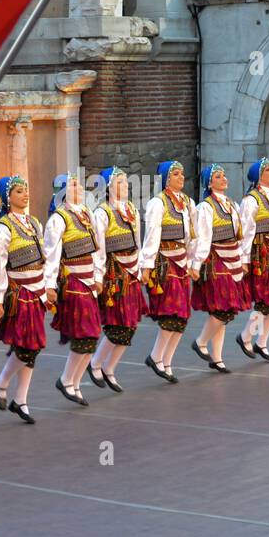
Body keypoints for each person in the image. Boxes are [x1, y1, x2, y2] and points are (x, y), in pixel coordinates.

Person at [45, 172, 105, 401]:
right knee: (84, 334)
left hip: (89, 281)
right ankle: (66, 379)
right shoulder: (59, 219)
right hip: (73, 282)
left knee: (92, 335)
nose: (79, 188)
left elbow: (97, 250)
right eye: (72, 185)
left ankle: (74, 382)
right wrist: (50, 285)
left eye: (79, 185)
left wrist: (98, 276)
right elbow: (51, 255)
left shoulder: (86, 214)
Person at [0, 176, 45, 424]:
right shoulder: (3, 228)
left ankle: (21, 400)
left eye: (26, 190)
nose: (25, 195)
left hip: (37, 290)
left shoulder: (34, 223)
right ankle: (1, 381)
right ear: (8, 197)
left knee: (31, 348)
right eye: (19, 191)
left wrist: (46, 288)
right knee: (28, 345)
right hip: (19, 291)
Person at [140, 160, 197, 383]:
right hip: (166, 262)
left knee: (182, 316)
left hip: (182, 262)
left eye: (182, 174)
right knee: (172, 313)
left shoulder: (188, 203)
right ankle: (156, 356)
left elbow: (192, 236)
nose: (181, 177)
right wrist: (147, 264)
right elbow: (152, 234)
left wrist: (193, 262)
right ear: (165, 179)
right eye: (175, 174)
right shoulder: (158, 203)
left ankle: (166, 360)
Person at [90, 167, 146, 390]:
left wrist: (140, 267)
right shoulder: (102, 213)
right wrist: (99, 276)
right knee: (117, 323)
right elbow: (99, 250)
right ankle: (95, 363)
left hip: (131, 271)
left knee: (131, 323)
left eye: (125, 182)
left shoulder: (131, 209)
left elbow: (137, 240)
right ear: (108, 188)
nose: (125, 186)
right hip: (114, 272)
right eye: (120, 183)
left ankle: (110, 367)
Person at [190, 164, 247, 374]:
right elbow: (203, 238)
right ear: (209, 183)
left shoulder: (232, 204)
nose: (223, 179)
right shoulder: (205, 207)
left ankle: (217, 357)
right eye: (217, 176)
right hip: (216, 259)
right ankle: (201, 341)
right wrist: (196, 264)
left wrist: (242, 258)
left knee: (224, 310)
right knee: (224, 307)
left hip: (232, 257)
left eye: (223, 176)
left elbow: (239, 234)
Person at [237, 157, 269, 362]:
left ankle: (262, 341)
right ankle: (247, 335)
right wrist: (244, 258)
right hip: (260, 254)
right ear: (260, 175)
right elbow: (246, 231)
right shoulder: (251, 200)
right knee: (265, 300)